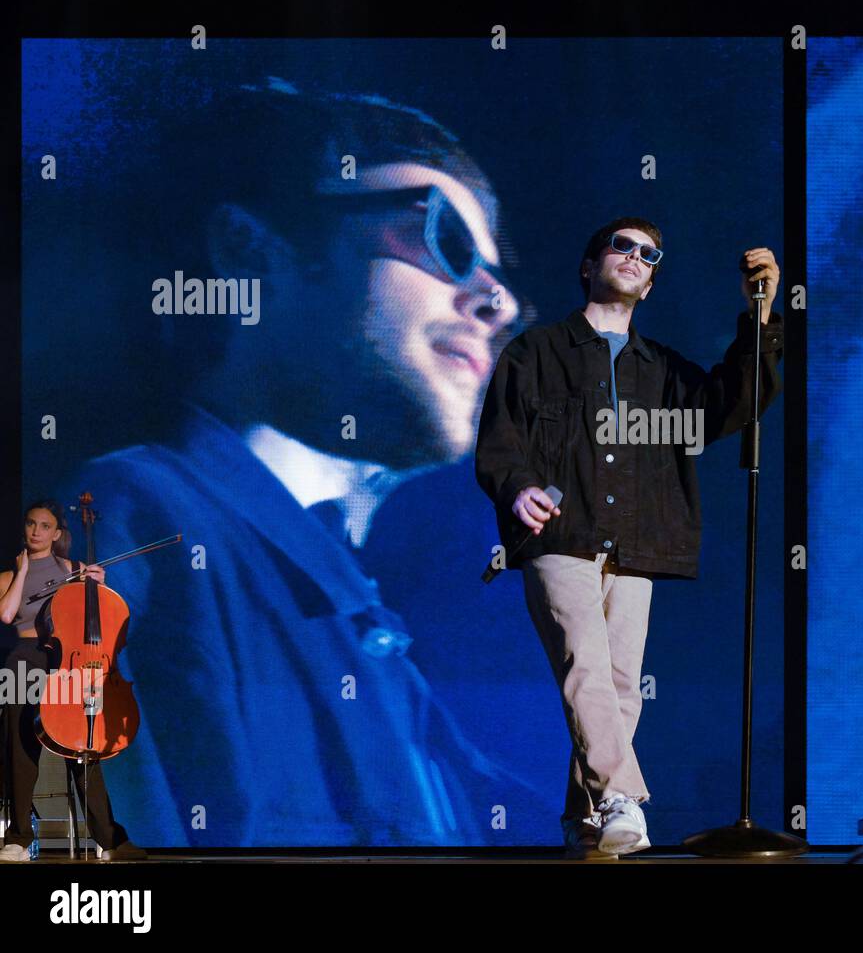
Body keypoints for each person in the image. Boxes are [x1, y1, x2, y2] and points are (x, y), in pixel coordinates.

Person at [66, 79, 536, 845]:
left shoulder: (374, 635)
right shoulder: (131, 521)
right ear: (250, 252)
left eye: (496, 272)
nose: (498, 301)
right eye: (444, 239)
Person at [475, 217, 784, 858]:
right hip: (562, 536)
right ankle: (624, 799)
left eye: (651, 255)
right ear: (590, 265)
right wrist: (518, 488)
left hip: (635, 543)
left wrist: (761, 315)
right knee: (584, 666)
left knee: (618, 689)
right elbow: (502, 441)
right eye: (623, 246)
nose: (637, 258)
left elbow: (730, 406)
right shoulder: (535, 353)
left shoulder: (662, 370)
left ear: (649, 285)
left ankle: (584, 822)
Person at [0, 500, 146, 861]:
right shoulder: (7, 575)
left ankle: (108, 839)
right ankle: (18, 837)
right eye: (31, 524)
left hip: (68, 664)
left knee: (84, 748)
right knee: (20, 749)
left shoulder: (76, 569)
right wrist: (21, 571)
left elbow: (94, 618)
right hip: (25, 661)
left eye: (45, 526)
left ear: (57, 533)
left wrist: (96, 585)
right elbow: (6, 614)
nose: (36, 531)